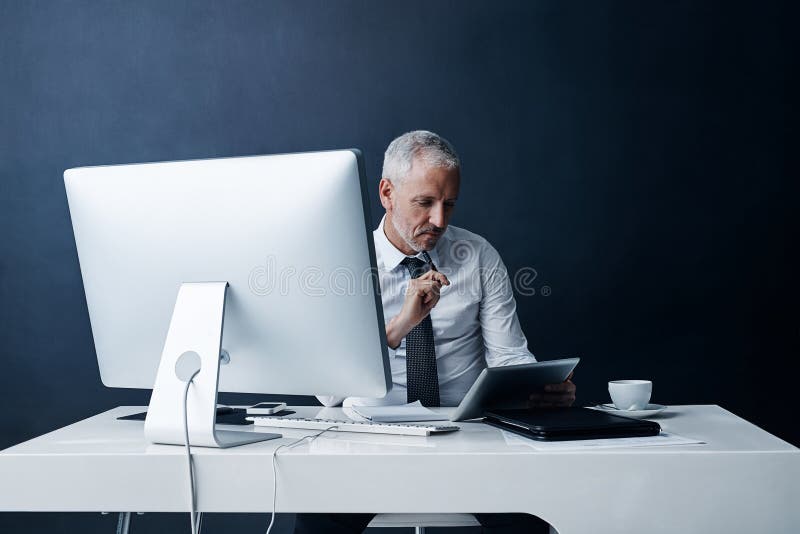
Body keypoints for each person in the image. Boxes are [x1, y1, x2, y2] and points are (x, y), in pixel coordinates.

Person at [295, 130, 576, 533]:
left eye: (449, 204)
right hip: (367, 440)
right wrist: (401, 324)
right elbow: (327, 391)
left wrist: (540, 386)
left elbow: (509, 358)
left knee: (530, 516)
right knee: (316, 519)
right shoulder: (346, 263)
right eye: (425, 203)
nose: (439, 220)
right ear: (387, 192)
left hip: (470, 436)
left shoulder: (478, 256)